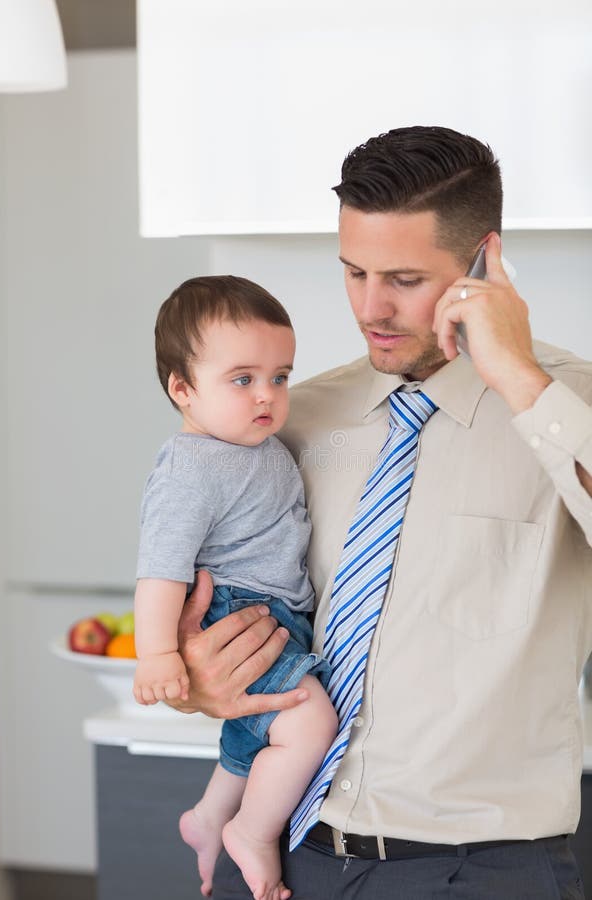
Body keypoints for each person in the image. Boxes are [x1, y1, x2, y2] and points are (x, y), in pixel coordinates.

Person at [168, 126, 592, 899]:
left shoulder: (566, 408)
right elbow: (213, 590)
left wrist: (515, 372)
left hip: (476, 869)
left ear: (484, 263)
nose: (372, 307)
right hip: (279, 850)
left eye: (404, 278)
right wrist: (201, 677)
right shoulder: (289, 418)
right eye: (354, 272)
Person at [133, 274, 336, 900]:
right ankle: (252, 830)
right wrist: (157, 654)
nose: (267, 395)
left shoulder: (257, 444)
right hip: (236, 610)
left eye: (280, 376)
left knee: (253, 736)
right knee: (308, 724)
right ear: (182, 388)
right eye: (242, 379)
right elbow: (161, 569)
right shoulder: (190, 467)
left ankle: (209, 817)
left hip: (276, 612)